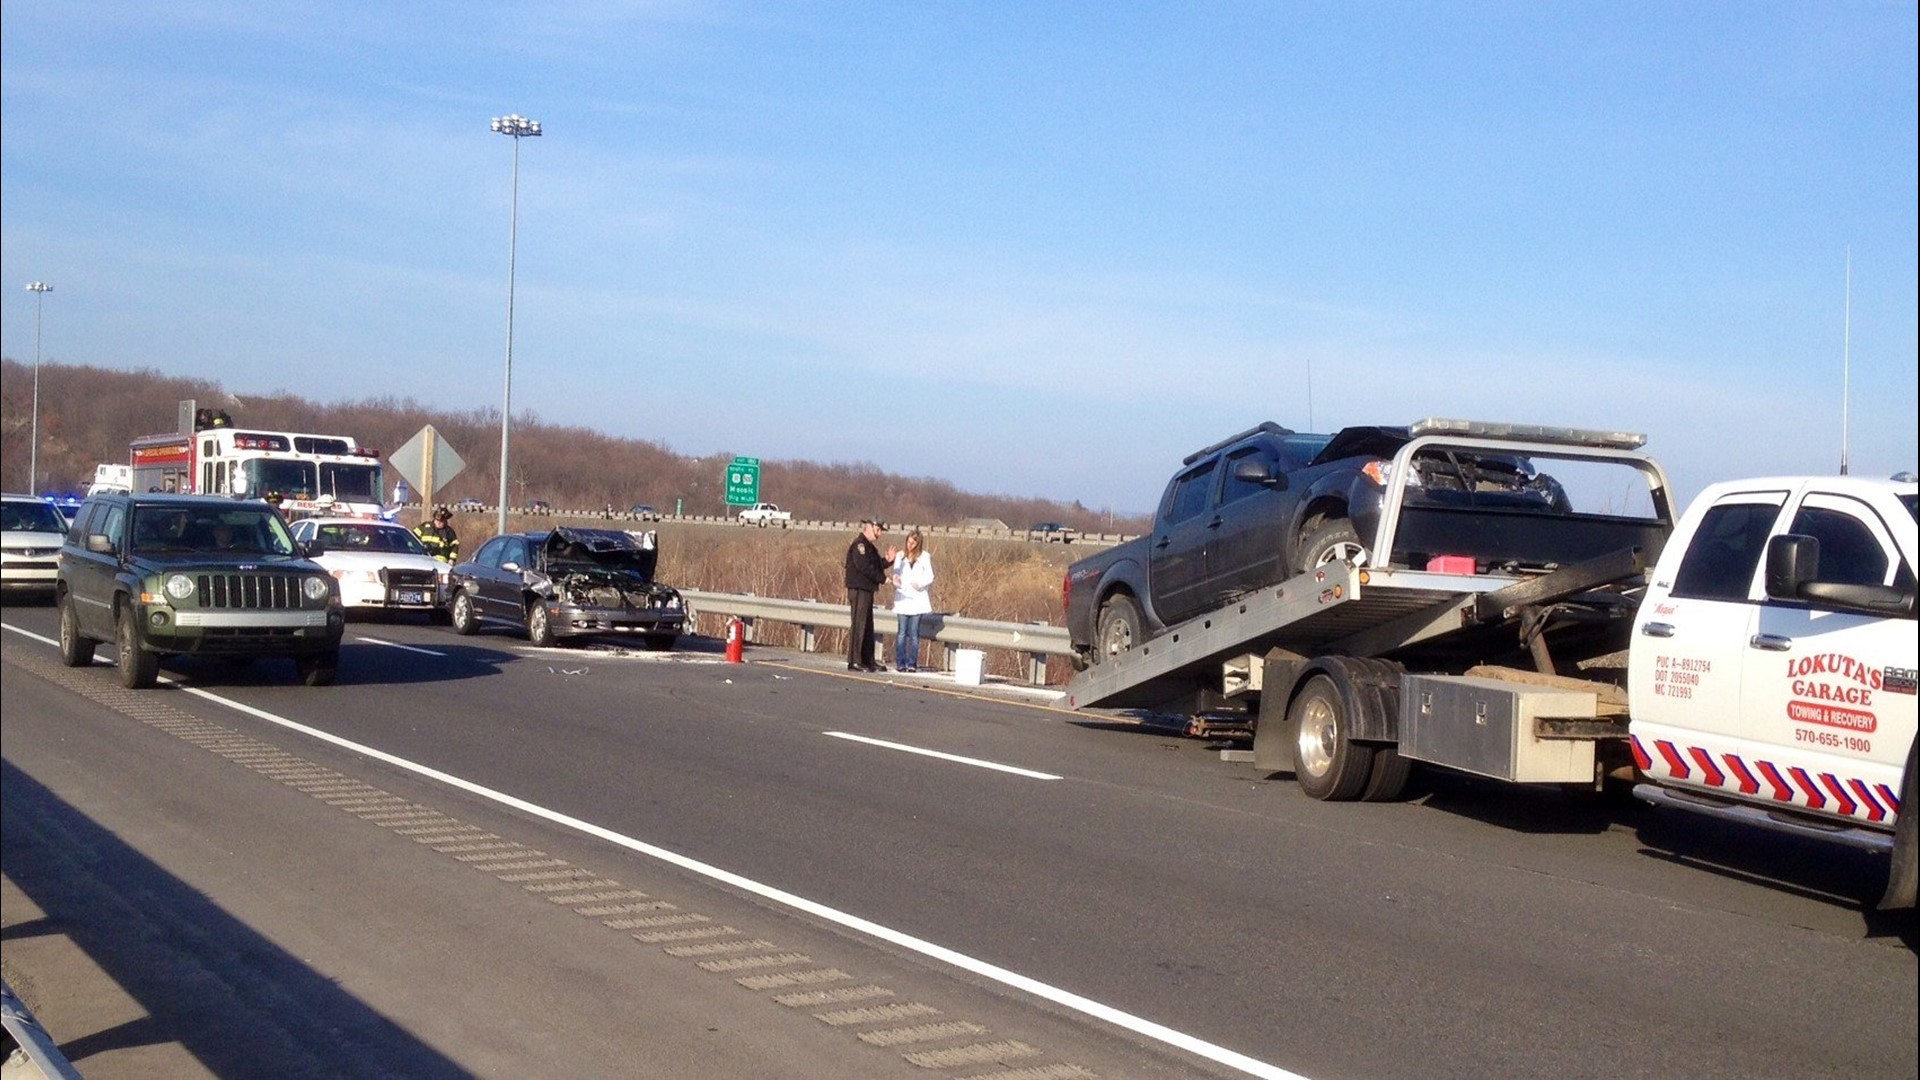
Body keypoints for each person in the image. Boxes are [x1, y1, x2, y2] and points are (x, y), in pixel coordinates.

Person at [843, 518, 896, 672]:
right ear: (869, 528)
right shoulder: (859, 545)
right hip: (859, 589)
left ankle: (868, 660)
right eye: (878, 530)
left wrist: (887, 561)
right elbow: (864, 567)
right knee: (859, 625)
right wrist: (884, 579)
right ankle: (855, 661)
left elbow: (875, 564)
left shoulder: (869, 547)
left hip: (867, 589)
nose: (879, 534)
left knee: (867, 626)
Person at [890, 530, 934, 672]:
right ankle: (900, 662)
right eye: (908, 542)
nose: (910, 545)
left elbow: (930, 575)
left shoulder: (924, 557)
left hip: (917, 599)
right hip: (903, 599)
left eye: (913, 543)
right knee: (902, 633)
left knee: (914, 633)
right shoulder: (900, 556)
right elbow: (896, 573)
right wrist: (896, 580)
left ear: (918, 543)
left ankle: (912, 663)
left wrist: (920, 584)